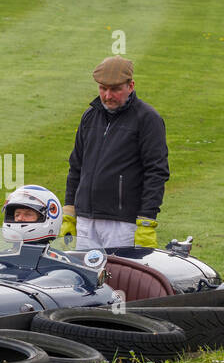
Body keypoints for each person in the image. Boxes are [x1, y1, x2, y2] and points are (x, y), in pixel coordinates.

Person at [62, 56, 169, 251]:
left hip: (122, 224)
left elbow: (156, 172)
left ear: (131, 86)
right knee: (84, 279)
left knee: (118, 280)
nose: (108, 96)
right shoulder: (89, 116)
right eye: (103, 88)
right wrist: (69, 211)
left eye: (115, 89)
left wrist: (146, 221)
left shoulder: (148, 119)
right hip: (86, 220)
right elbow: (76, 166)